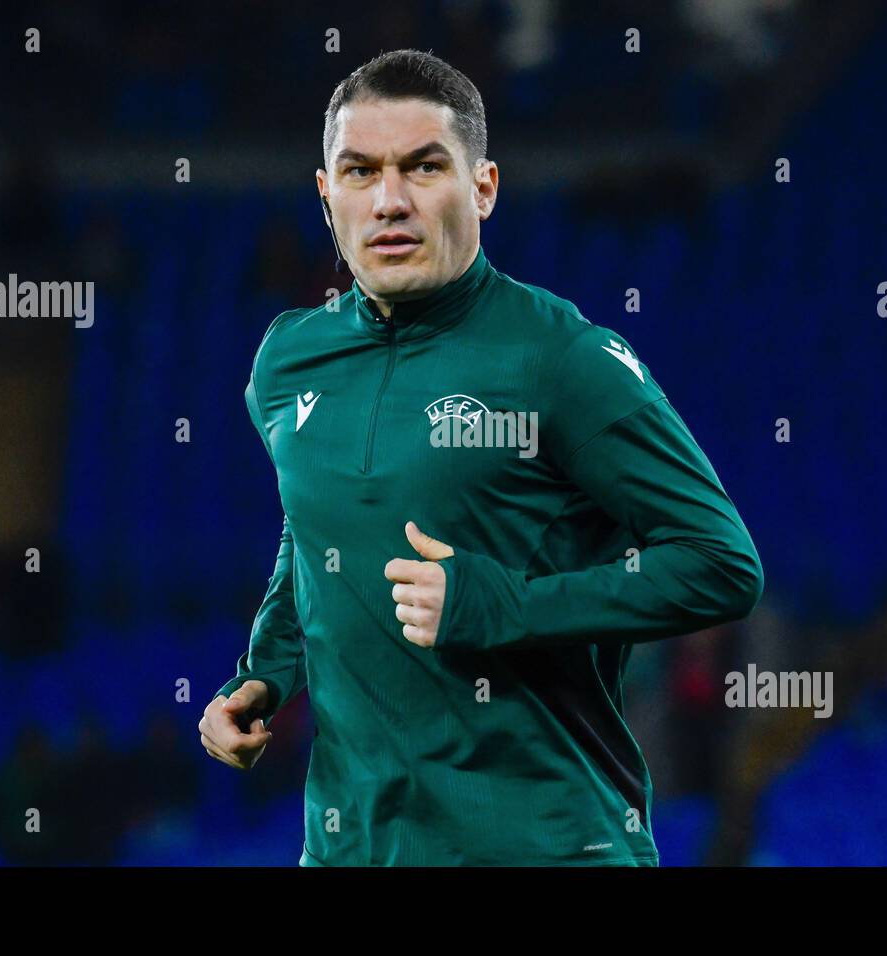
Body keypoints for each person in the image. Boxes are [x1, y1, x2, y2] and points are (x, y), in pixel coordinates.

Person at [198, 49, 763, 866]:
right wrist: (265, 672)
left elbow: (720, 565)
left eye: (423, 167)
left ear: (484, 187)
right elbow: (311, 527)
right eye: (359, 173)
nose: (389, 201)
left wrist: (507, 606)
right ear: (327, 198)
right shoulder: (288, 361)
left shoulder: (563, 359)